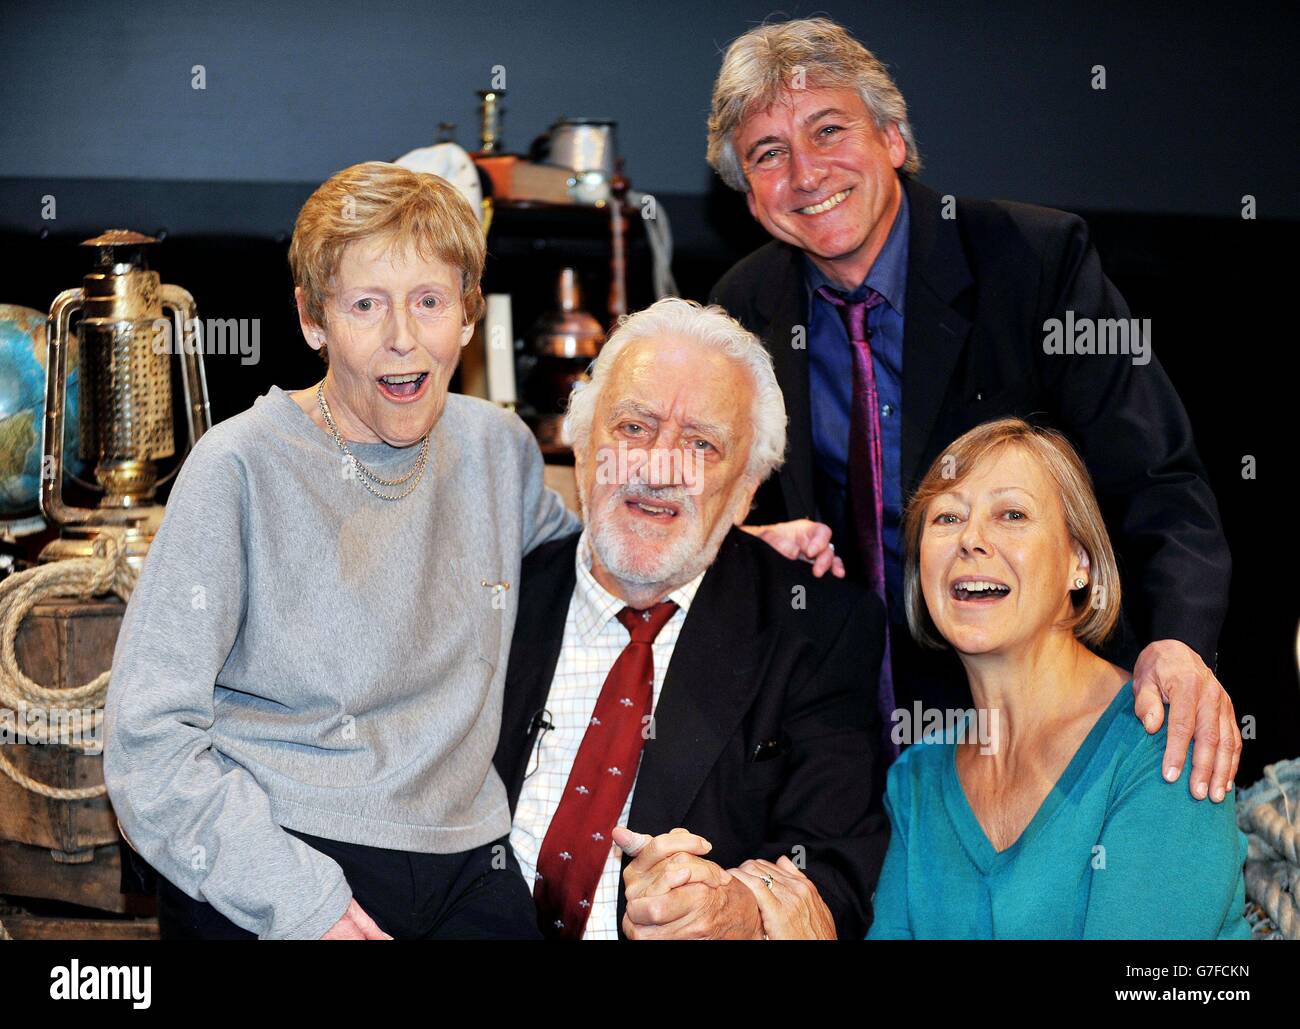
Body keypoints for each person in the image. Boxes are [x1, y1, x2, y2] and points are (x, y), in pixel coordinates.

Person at [705, 17, 1239, 802]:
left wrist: (1179, 644)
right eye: (768, 154)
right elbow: (720, 524)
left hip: (1049, 725)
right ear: (750, 196)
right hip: (839, 739)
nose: (806, 172)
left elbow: (1159, 481)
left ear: (892, 138)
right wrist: (748, 545)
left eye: (828, 130)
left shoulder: (1039, 260)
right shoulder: (739, 309)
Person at [103, 161, 581, 939]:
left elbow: (597, 558)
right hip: (283, 844)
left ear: (467, 314)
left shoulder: (500, 449)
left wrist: (733, 539)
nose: (403, 338)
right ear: (311, 319)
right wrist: (297, 900)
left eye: (429, 301)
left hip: (469, 858)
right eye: (366, 305)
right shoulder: (238, 466)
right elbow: (146, 744)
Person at [492, 297, 889, 940]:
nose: (658, 467)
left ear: (747, 489)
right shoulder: (498, 597)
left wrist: (740, 908)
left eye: (701, 444)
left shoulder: (817, 630)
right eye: (634, 428)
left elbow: (836, 873)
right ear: (584, 444)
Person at [857, 418, 1248, 938]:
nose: (971, 540)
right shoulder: (915, 778)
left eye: (1012, 514)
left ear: (1078, 563)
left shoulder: (1161, 741)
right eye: (946, 518)